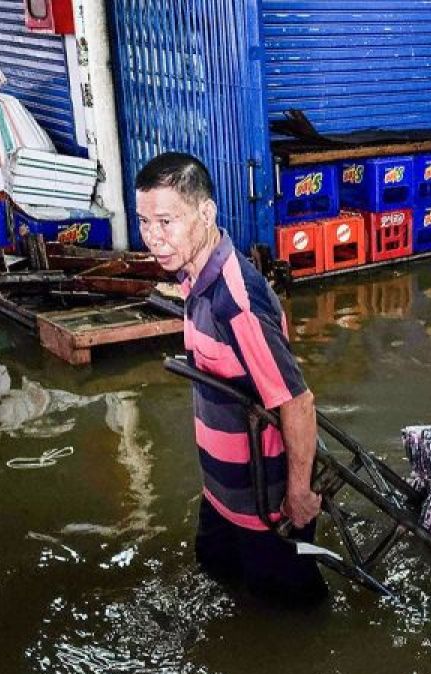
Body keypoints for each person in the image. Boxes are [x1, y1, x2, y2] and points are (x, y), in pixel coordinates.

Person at [135, 152, 327, 603]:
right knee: (215, 572)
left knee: (290, 617)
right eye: (145, 222)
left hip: (265, 504)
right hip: (223, 492)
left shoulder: (235, 301)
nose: (153, 238)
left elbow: (298, 403)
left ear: (205, 213)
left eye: (166, 221)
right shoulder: (192, 276)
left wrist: (298, 496)